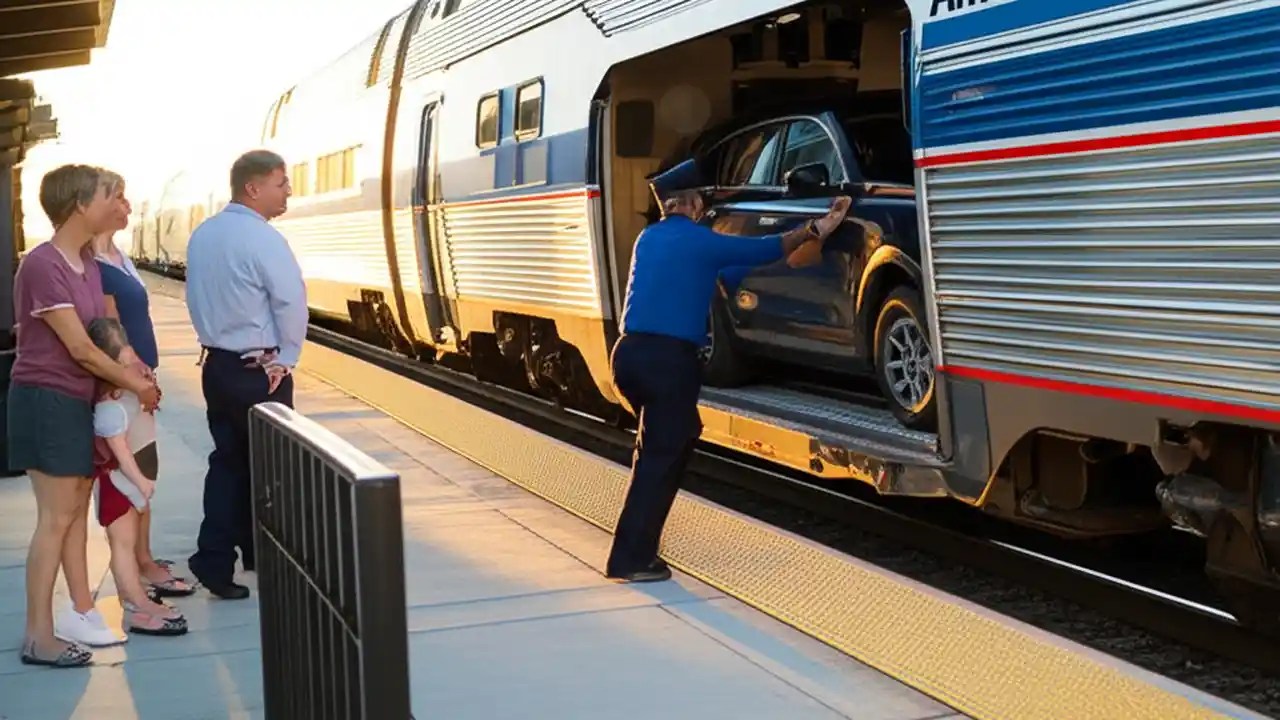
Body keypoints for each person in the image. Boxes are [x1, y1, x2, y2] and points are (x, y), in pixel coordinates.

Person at [605, 159, 851, 582]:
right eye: (703, 199)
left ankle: (639, 550)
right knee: (660, 460)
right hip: (668, 362)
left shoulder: (651, 238)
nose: (705, 206)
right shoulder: (699, 240)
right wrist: (818, 228)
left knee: (672, 442)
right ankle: (629, 558)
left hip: (629, 357)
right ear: (692, 202)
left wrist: (791, 255)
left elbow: (734, 268)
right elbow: (763, 249)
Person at [10, 164, 160, 667]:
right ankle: (38, 636)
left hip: (75, 400)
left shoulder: (87, 265)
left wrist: (130, 361)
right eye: (107, 194)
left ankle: (76, 612)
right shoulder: (43, 264)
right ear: (79, 203)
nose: (115, 201)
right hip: (46, 398)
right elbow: (78, 347)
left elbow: (102, 329)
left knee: (72, 514)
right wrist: (133, 383)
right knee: (55, 519)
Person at [185, 149, 306, 600]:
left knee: (231, 460)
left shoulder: (204, 234)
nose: (288, 190)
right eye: (281, 182)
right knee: (271, 468)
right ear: (253, 188)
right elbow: (291, 301)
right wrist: (288, 356)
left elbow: (196, 297)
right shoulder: (263, 239)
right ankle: (225, 556)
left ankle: (238, 554)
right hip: (259, 370)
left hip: (217, 365)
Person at [91, 180, 194, 600]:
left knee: (144, 469)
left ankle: (143, 558)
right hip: (124, 385)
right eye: (117, 197)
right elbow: (112, 334)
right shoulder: (96, 266)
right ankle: (141, 564)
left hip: (138, 379)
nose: (127, 204)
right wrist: (137, 380)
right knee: (133, 475)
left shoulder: (118, 257)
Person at [86, 317, 188, 637]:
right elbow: (120, 453)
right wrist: (141, 483)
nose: (134, 366)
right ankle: (134, 605)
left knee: (127, 543)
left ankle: (139, 598)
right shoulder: (108, 409)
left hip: (127, 486)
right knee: (122, 544)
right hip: (118, 485)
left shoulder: (122, 395)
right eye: (125, 361)